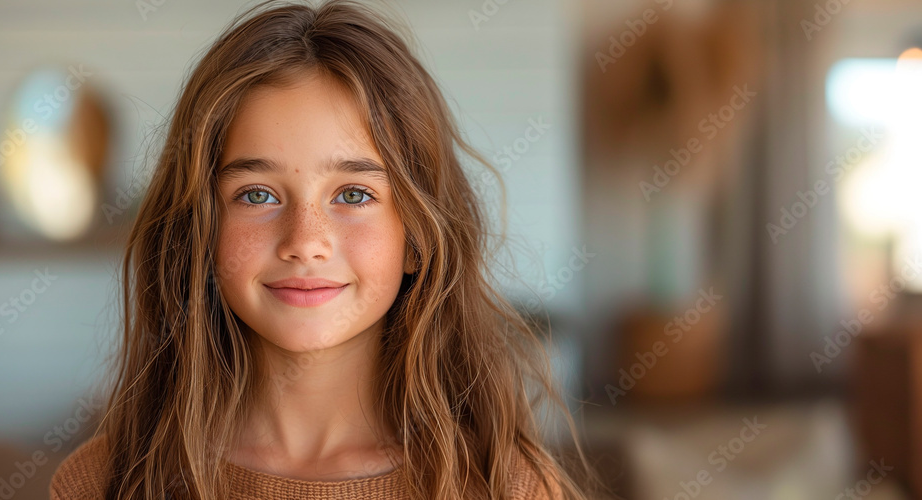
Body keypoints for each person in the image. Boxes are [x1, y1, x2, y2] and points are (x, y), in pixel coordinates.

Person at [49, 1, 596, 498]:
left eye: (353, 194)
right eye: (256, 194)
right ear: (201, 233)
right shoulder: (103, 482)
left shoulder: (506, 486)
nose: (305, 242)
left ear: (418, 237)